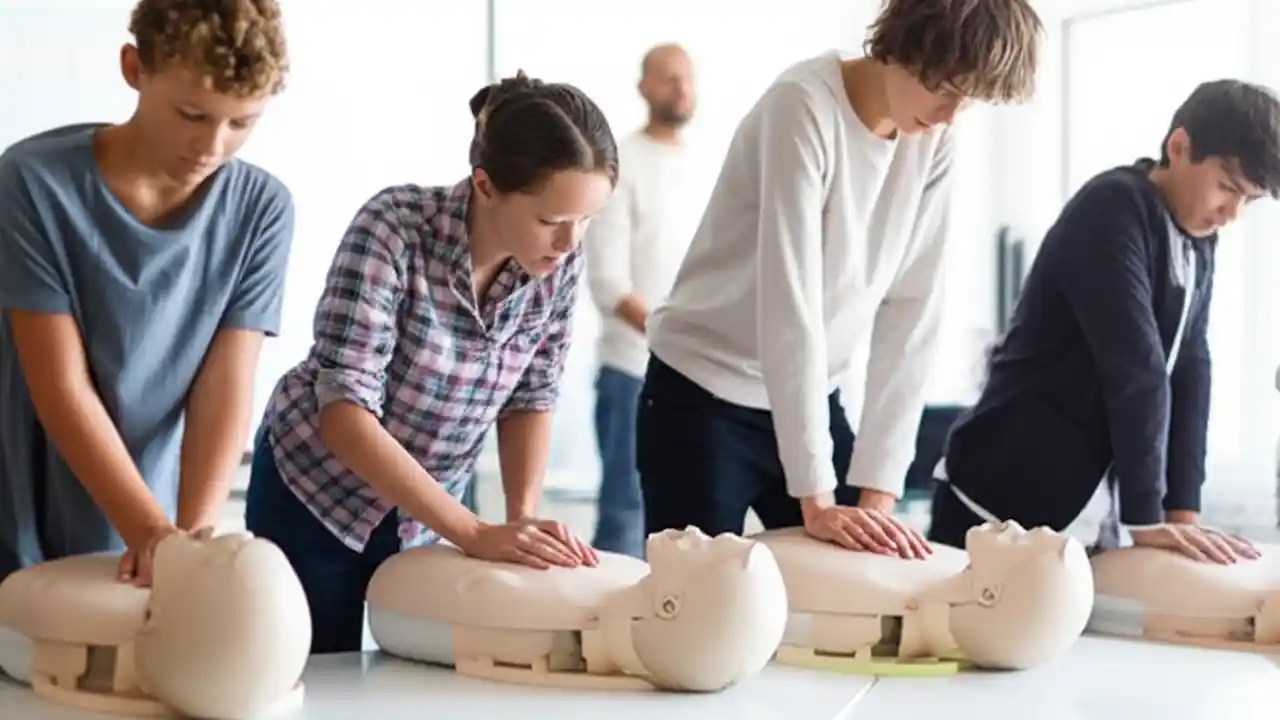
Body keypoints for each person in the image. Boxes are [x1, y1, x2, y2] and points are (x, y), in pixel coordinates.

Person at [636, 0, 1043, 558]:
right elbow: (790, 303)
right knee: (702, 615)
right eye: (947, 88)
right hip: (702, 392)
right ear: (908, 47)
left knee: (868, 572)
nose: (952, 113)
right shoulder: (802, 106)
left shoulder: (932, 139)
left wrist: (877, 490)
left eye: (969, 98)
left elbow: (914, 310)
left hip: (811, 395)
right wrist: (817, 498)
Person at [245, 71, 618, 654]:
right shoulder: (394, 227)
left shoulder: (557, 261)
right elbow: (344, 411)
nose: (571, 241)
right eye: (551, 220)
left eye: (587, 220)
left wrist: (518, 522)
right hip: (316, 492)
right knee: (324, 672)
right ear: (486, 185)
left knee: (415, 677)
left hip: (429, 512)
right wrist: (471, 530)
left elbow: (532, 396)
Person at [0, 0, 293, 587]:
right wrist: (151, 533)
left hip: (145, 512)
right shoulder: (31, 181)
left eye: (242, 123)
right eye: (191, 114)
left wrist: (188, 540)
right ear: (134, 68)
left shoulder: (262, 209)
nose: (212, 146)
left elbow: (225, 386)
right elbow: (60, 385)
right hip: (24, 498)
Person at [931, 80, 1280, 564]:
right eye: (1227, 188)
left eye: (1251, 200)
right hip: (998, 501)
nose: (1233, 213)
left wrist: (1182, 512)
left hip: (1084, 514)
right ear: (1179, 147)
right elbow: (1137, 367)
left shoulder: (1199, 239)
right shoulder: (1112, 208)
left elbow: (1190, 369)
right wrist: (1146, 516)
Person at [584, 43, 700, 558]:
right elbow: (609, 284)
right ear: (644, 87)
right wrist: (669, 341)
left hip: (694, 376)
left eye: (687, 79)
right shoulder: (620, 165)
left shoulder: (704, 169)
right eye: (669, 79)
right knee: (624, 515)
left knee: (685, 524)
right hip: (631, 371)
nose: (681, 89)